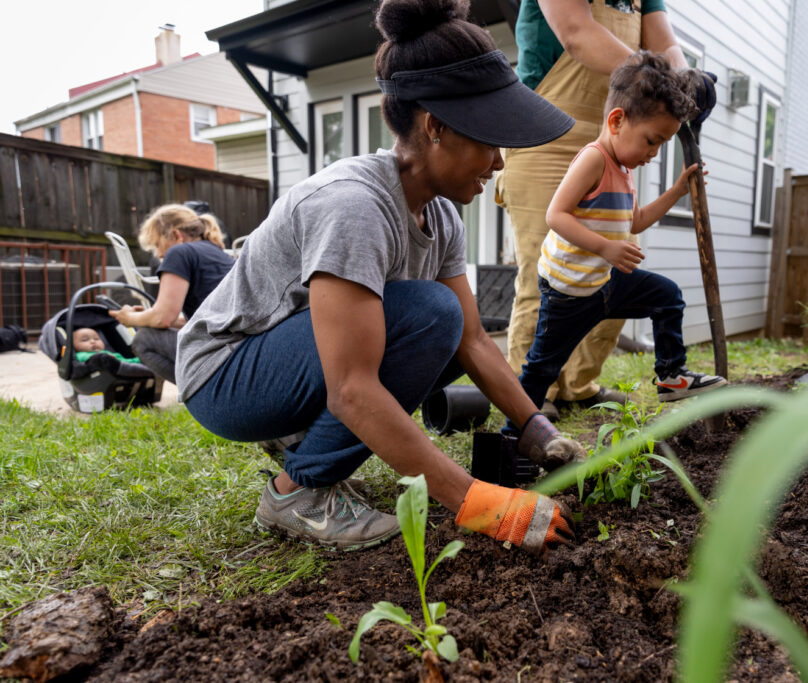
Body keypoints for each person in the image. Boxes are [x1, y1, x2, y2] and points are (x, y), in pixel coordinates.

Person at [176, 0, 584, 556]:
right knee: (429, 315)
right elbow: (352, 389)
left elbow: (472, 339)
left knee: (443, 334)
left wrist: (540, 432)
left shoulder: (440, 215)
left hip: (285, 361)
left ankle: (304, 439)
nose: (498, 163)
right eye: (490, 142)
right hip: (225, 376)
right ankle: (295, 494)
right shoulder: (354, 206)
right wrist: (483, 504)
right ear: (435, 127)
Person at [496, 0, 718, 420]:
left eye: (660, 145)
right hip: (548, 125)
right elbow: (577, 34)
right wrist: (660, 85)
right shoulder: (609, 144)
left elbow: (667, 46)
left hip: (618, 132)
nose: (657, 153)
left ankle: (582, 386)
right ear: (621, 122)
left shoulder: (628, 158)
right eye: (655, 144)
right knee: (540, 287)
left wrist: (685, 79)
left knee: (629, 280)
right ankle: (527, 406)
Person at [109, 204, 235, 384]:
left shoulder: (180, 251)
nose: (160, 254)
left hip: (217, 351)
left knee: (143, 339)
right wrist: (145, 315)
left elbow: (164, 318)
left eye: (158, 245)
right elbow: (200, 319)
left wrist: (128, 318)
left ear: (176, 235)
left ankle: (201, 392)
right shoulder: (217, 252)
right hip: (235, 347)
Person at [72, 327, 141, 364]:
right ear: (74, 346)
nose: (93, 341)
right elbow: (89, 358)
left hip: (125, 364)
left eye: (96, 339)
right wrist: (102, 356)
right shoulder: (80, 355)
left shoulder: (108, 353)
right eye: (85, 340)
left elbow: (126, 361)